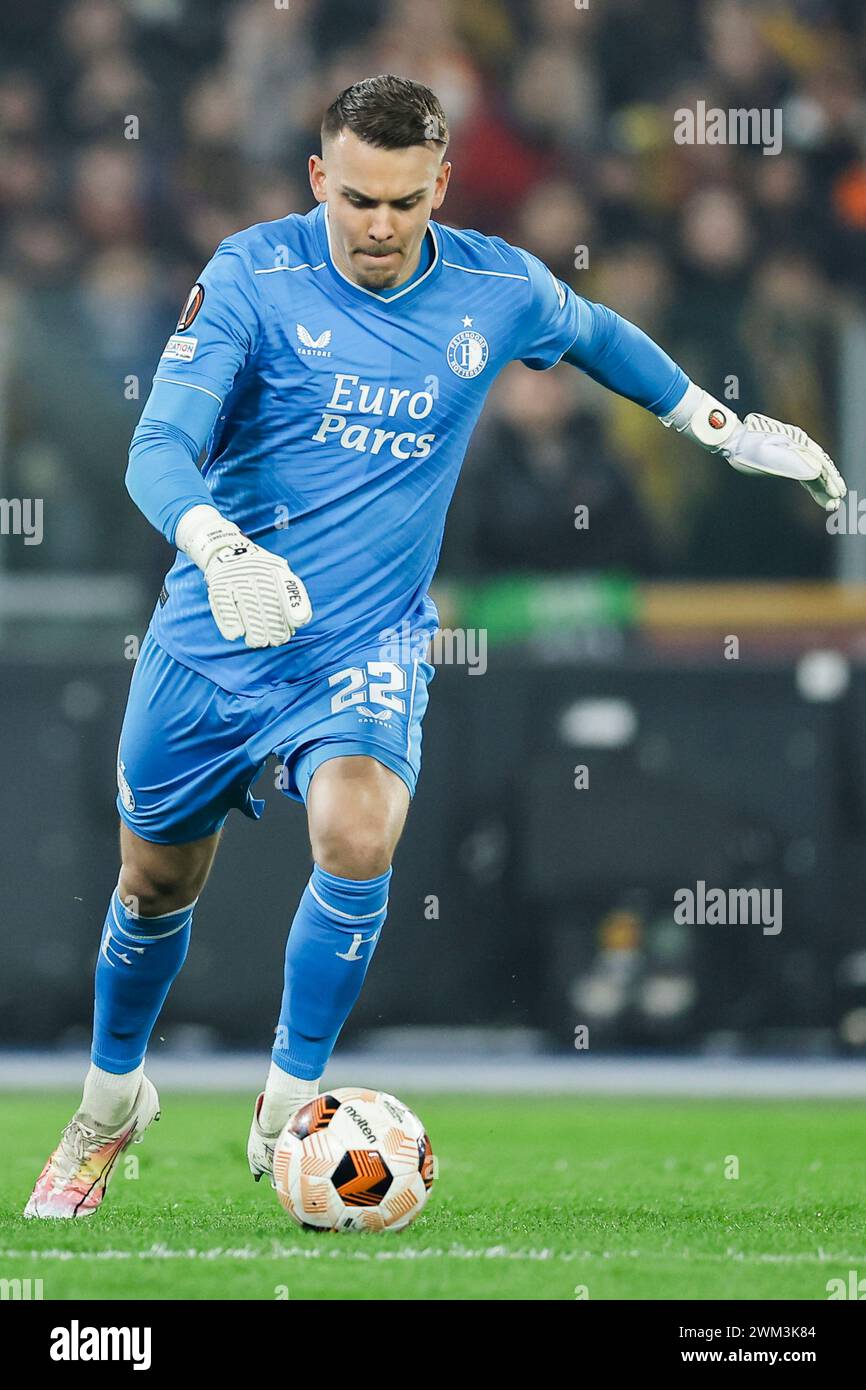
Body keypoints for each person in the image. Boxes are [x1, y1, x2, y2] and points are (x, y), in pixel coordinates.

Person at [24, 73, 846, 1218]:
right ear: (319, 178)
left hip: (361, 638)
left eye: (404, 203)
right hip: (216, 629)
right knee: (154, 881)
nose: (376, 225)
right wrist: (216, 544)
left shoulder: (491, 285)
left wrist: (719, 426)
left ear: (439, 187)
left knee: (359, 830)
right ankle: (111, 1106)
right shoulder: (252, 276)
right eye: (355, 197)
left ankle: (288, 1098)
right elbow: (156, 445)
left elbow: (595, 333)